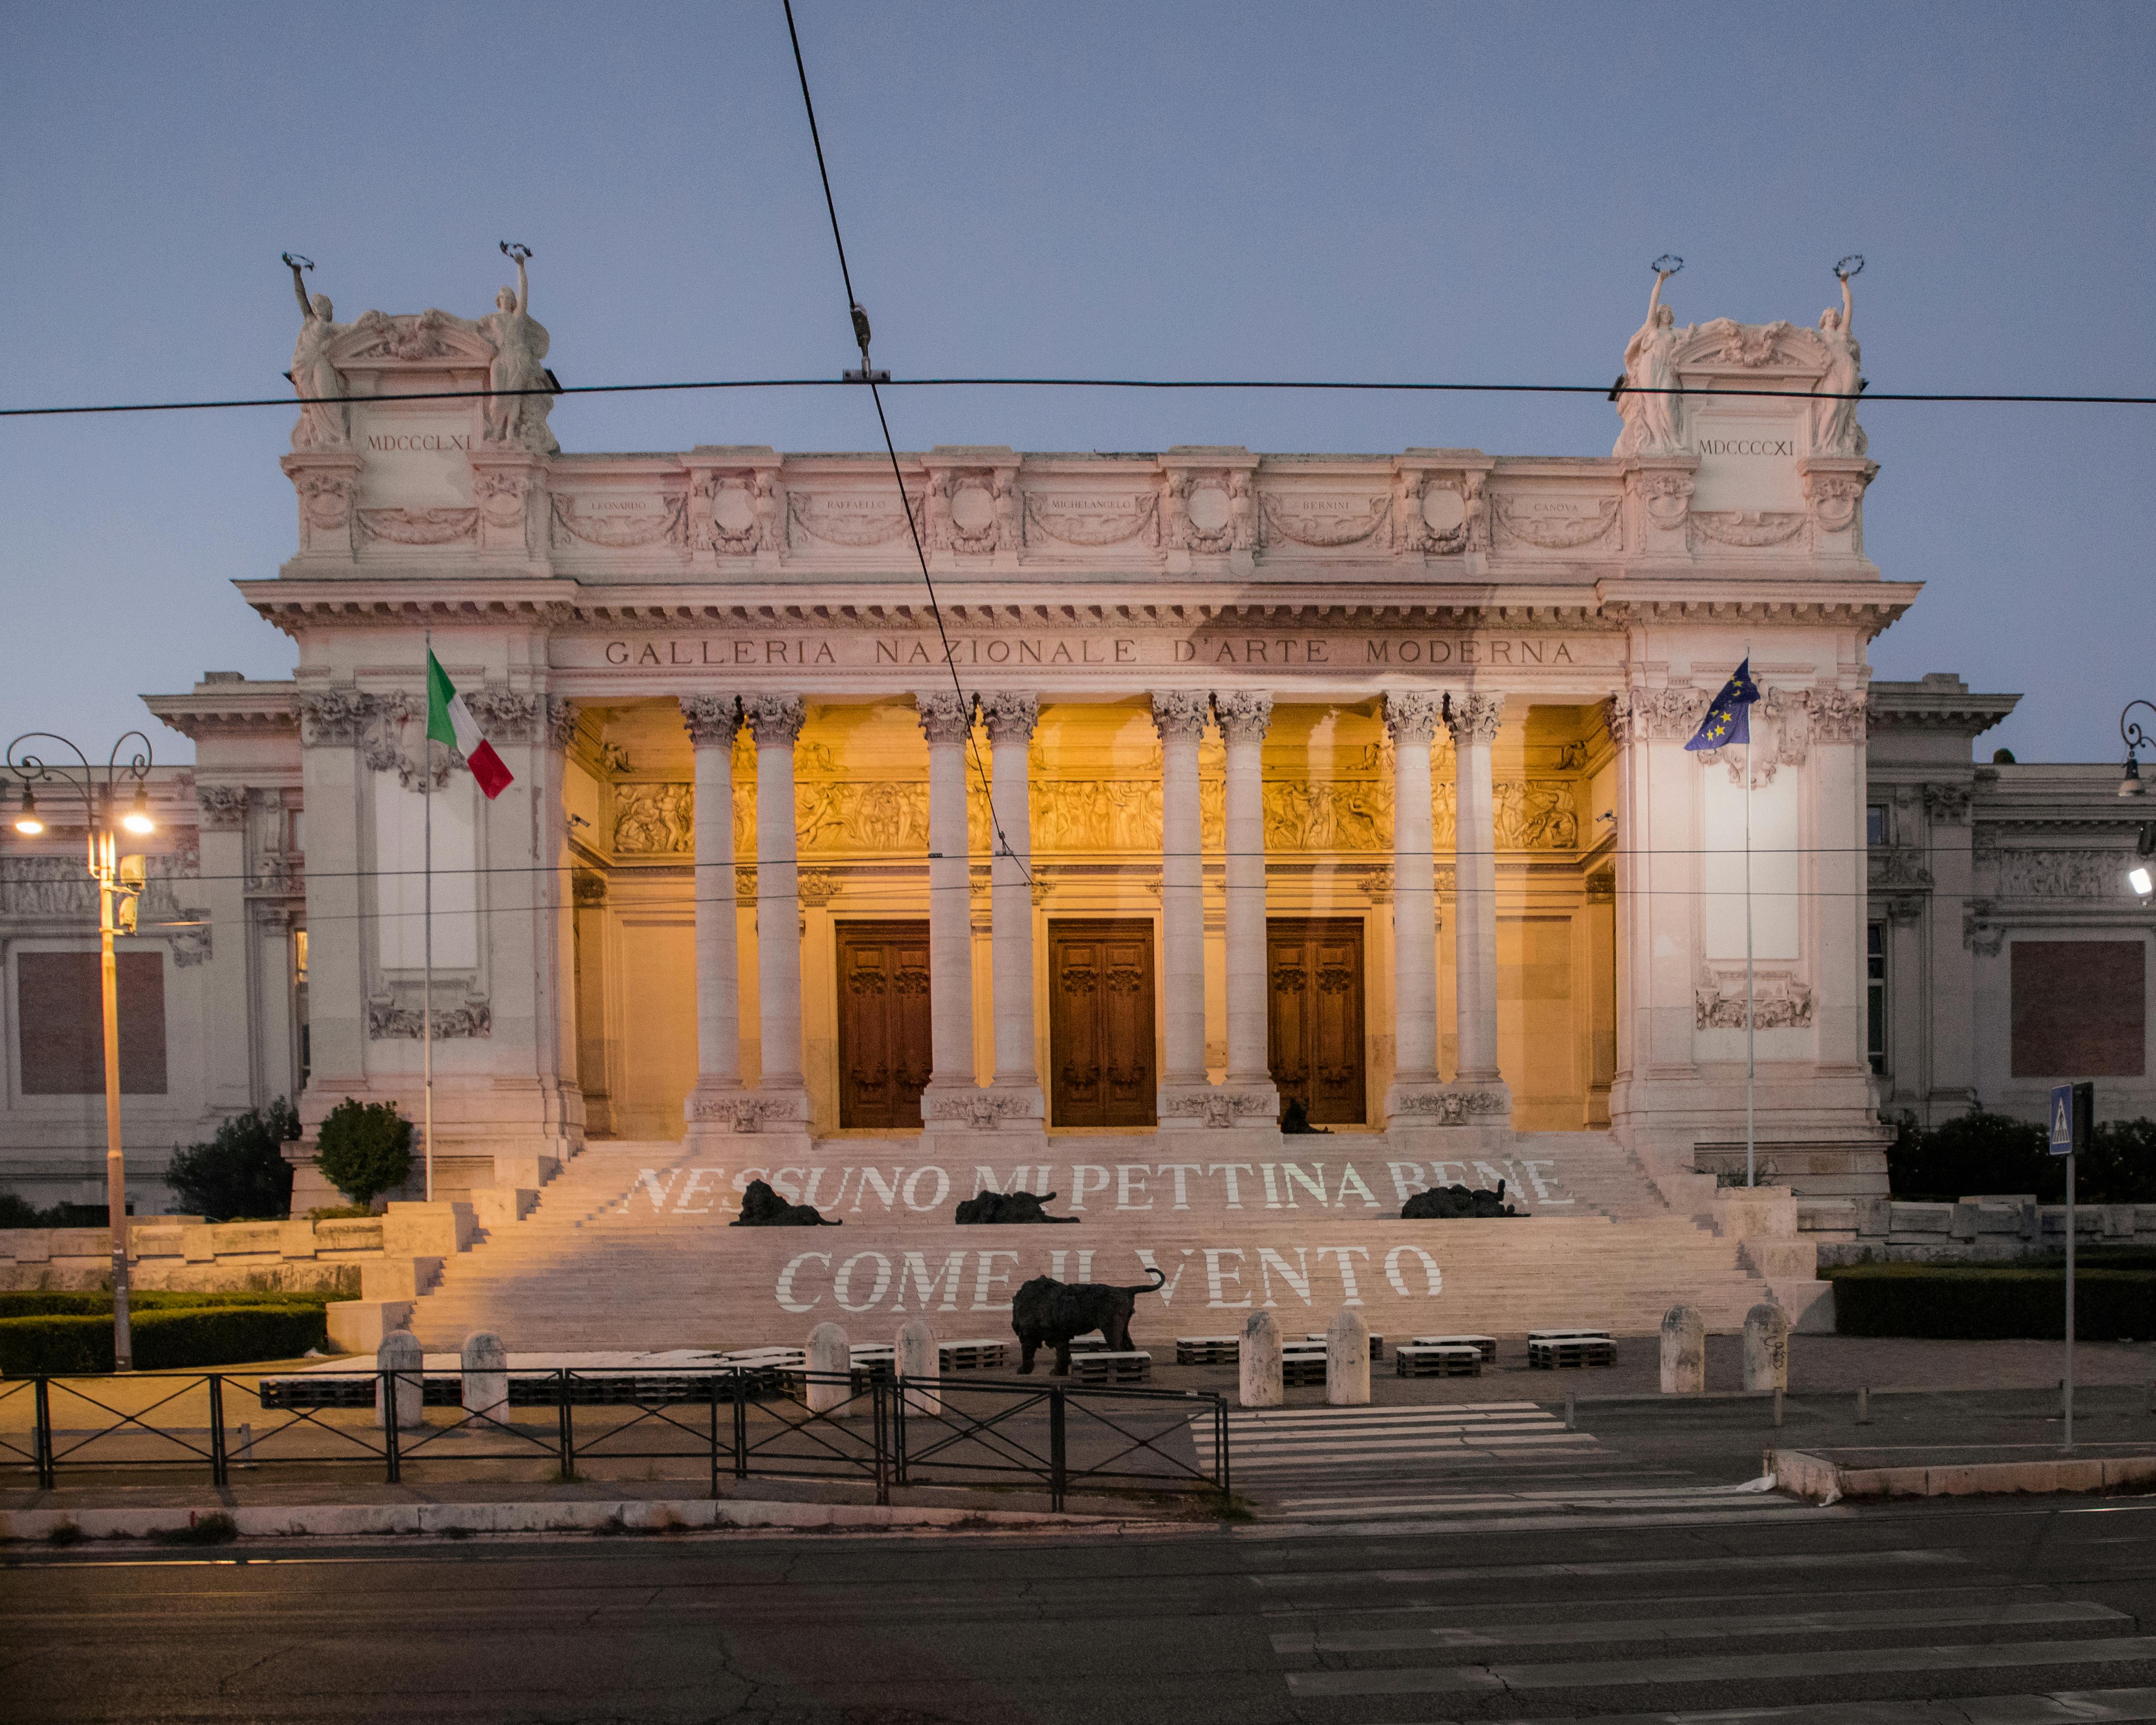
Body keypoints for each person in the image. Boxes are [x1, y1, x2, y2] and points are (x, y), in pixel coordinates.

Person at [477, 246, 556, 452]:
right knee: (497, 399)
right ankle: (497, 430)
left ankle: (509, 432)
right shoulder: (492, 319)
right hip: (501, 359)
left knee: (514, 396)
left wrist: (521, 267)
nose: (508, 299)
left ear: (513, 302)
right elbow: (470, 328)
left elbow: (525, 291)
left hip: (519, 358)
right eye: (504, 296)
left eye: (510, 297)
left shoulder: (518, 319)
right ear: (499, 300)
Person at [1616, 266, 1687, 455]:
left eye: (1669, 312)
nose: (1667, 314)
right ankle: (1659, 444)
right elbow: (1653, 301)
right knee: (1651, 405)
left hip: (1666, 369)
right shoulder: (1650, 329)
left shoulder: (1676, 334)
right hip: (1650, 366)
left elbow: (1694, 336)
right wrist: (1660, 282)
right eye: (1663, 311)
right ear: (1659, 315)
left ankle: (1673, 441)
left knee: (1666, 403)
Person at [287, 257, 349, 449]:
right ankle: (327, 437)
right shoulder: (312, 323)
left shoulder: (332, 329)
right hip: (307, 365)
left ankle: (336, 437)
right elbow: (301, 298)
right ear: (318, 308)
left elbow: (353, 332)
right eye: (324, 305)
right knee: (317, 400)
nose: (328, 309)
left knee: (327, 398)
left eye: (328, 306)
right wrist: (297, 274)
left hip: (319, 365)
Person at [1812, 268, 1863, 456]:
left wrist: (1844, 284)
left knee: (1844, 407)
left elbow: (1848, 306)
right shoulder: (1818, 338)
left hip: (1847, 369)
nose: (1834, 317)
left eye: (1835, 315)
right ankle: (1822, 444)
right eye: (1830, 315)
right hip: (1832, 372)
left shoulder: (1842, 334)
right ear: (1824, 319)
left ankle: (1838, 446)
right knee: (1832, 405)